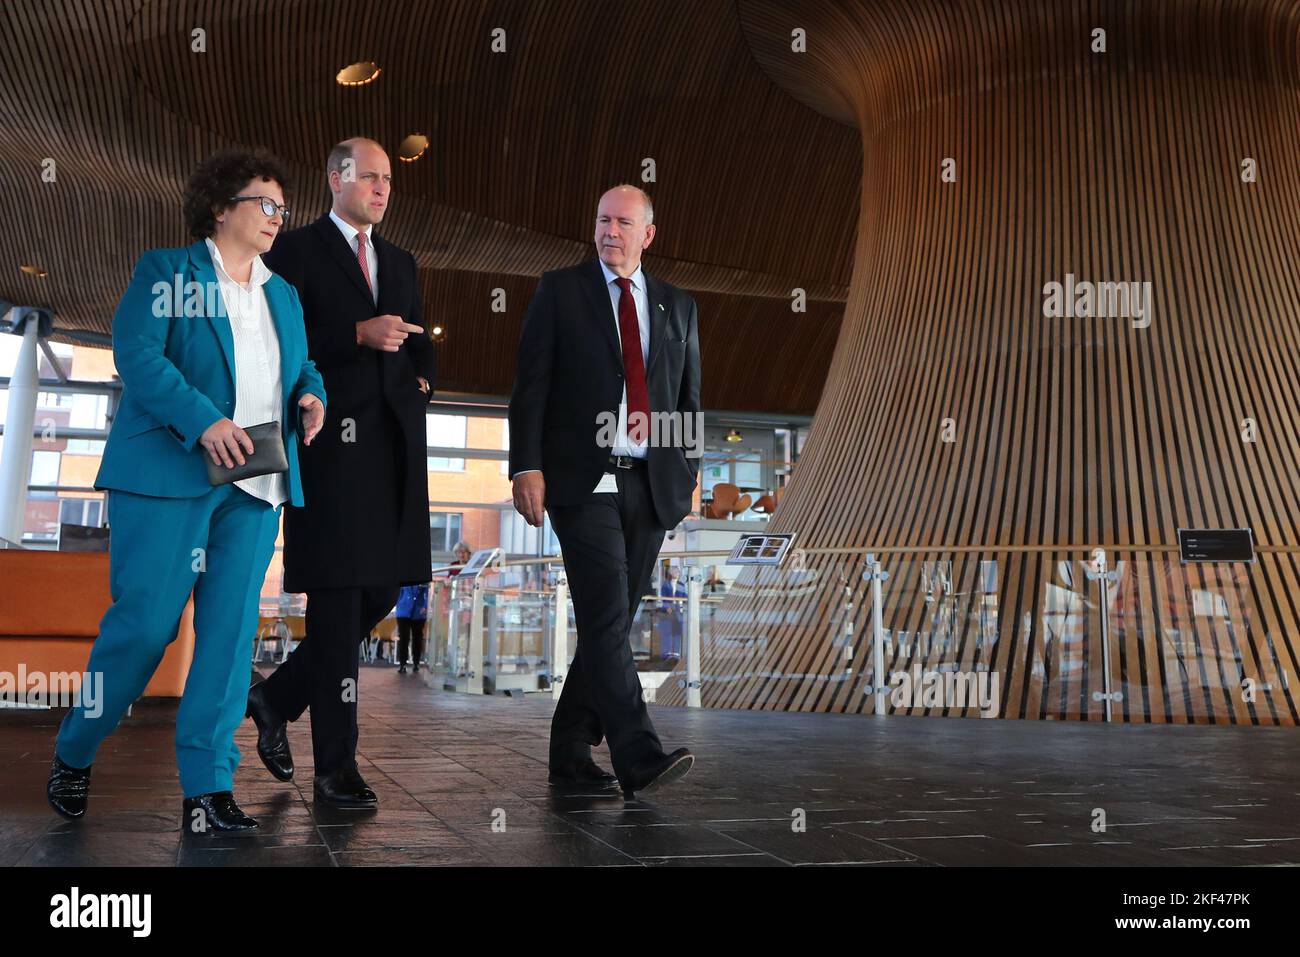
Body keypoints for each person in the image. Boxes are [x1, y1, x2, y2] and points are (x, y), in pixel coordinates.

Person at [47, 149, 326, 832]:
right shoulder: (169, 271)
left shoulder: (282, 293)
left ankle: (207, 788)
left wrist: (313, 394)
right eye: (264, 203)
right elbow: (137, 352)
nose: (276, 217)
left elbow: (301, 365)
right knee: (145, 628)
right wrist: (204, 421)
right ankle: (76, 749)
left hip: (255, 481)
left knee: (230, 639)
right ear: (220, 207)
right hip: (172, 474)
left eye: (282, 209)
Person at [244, 137, 436, 808]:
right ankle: (336, 769)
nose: (383, 188)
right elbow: (276, 344)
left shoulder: (403, 261)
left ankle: (276, 695)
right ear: (336, 178)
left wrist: (421, 382)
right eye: (371, 176)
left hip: (392, 452)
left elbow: (421, 342)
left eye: (389, 179)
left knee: (381, 592)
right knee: (334, 602)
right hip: (327, 446)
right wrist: (356, 334)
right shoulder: (292, 252)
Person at [509, 185, 699, 796]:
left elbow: (689, 399)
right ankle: (637, 754)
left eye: (623, 222)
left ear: (648, 233)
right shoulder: (561, 290)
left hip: (651, 483)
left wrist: (689, 474)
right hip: (582, 477)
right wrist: (525, 465)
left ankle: (569, 748)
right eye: (602, 220)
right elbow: (530, 384)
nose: (609, 231)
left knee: (608, 625)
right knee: (607, 615)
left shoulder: (678, 306)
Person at [395, 582, 430, 673]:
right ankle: (402, 663)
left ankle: (416, 662)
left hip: (419, 610)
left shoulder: (423, 578)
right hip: (403, 610)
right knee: (403, 638)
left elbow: (427, 591)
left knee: (417, 638)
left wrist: (425, 606)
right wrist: (398, 603)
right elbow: (397, 591)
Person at [657, 565, 686, 661]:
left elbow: (685, 597)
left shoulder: (681, 585)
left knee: (677, 633)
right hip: (668, 612)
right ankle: (666, 654)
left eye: (678, 572)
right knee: (667, 632)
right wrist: (667, 608)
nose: (677, 574)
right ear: (671, 574)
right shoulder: (665, 585)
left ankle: (676, 654)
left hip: (678, 611)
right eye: (675, 572)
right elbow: (663, 598)